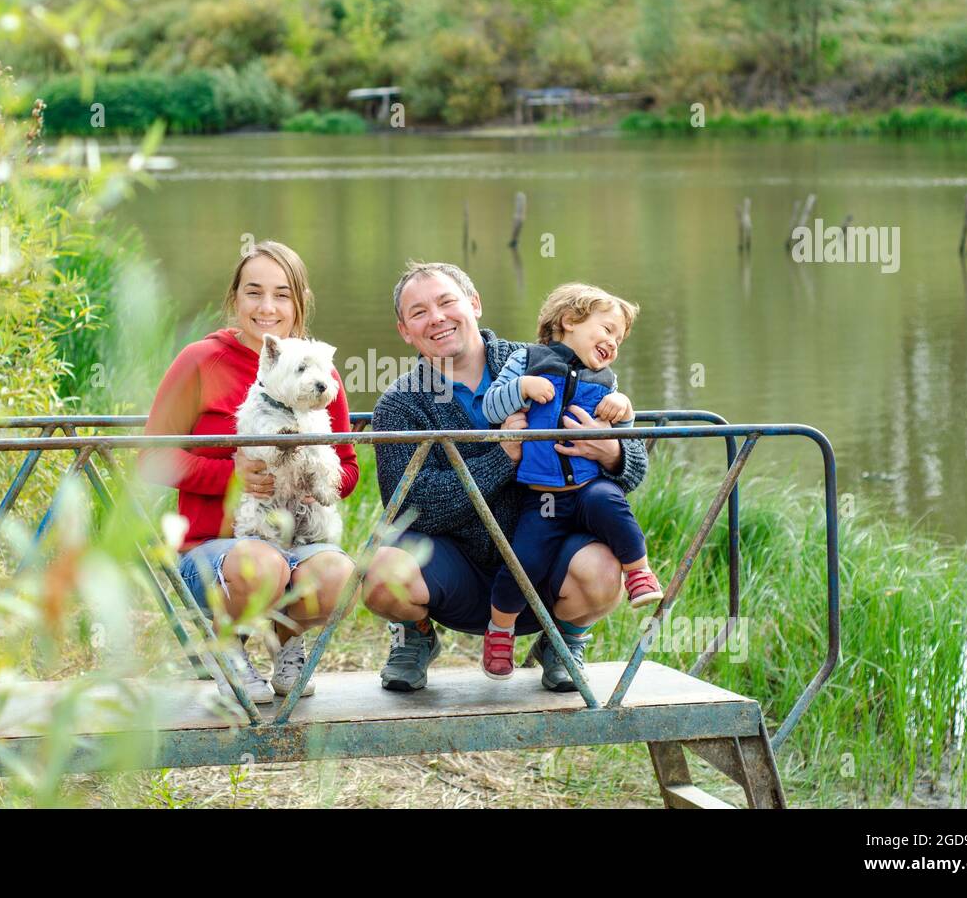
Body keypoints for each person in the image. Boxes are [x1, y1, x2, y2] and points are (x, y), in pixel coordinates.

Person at [362, 261, 650, 693]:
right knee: (383, 571)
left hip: (545, 560)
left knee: (605, 569)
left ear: (474, 304)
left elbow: (634, 467)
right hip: (454, 569)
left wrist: (611, 451)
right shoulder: (399, 404)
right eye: (419, 312)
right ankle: (415, 635)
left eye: (446, 302)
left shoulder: (544, 359)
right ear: (405, 330)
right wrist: (503, 455)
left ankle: (564, 639)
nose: (437, 318)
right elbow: (411, 508)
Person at [139, 241, 359, 703]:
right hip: (212, 550)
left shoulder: (319, 373)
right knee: (261, 564)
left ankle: (285, 639)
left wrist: (310, 479)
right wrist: (230, 475)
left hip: (295, 537)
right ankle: (227, 650)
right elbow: (151, 457)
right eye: (253, 292)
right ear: (234, 298)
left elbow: (349, 470)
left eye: (282, 295)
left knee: (340, 577)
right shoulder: (200, 360)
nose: (267, 307)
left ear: (299, 302)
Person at [479, 282, 662, 680]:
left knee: (609, 503)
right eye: (607, 330)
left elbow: (626, 438)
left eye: (620, 339)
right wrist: (521, 388)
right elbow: (490, 406)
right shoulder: (527, 360)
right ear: (569, 321)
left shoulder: (606, 382)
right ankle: (500, 630)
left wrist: (624, 410)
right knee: (522, 560)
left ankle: (639, 572)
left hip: (587, 488)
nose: (613, 343)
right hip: (542, 496)